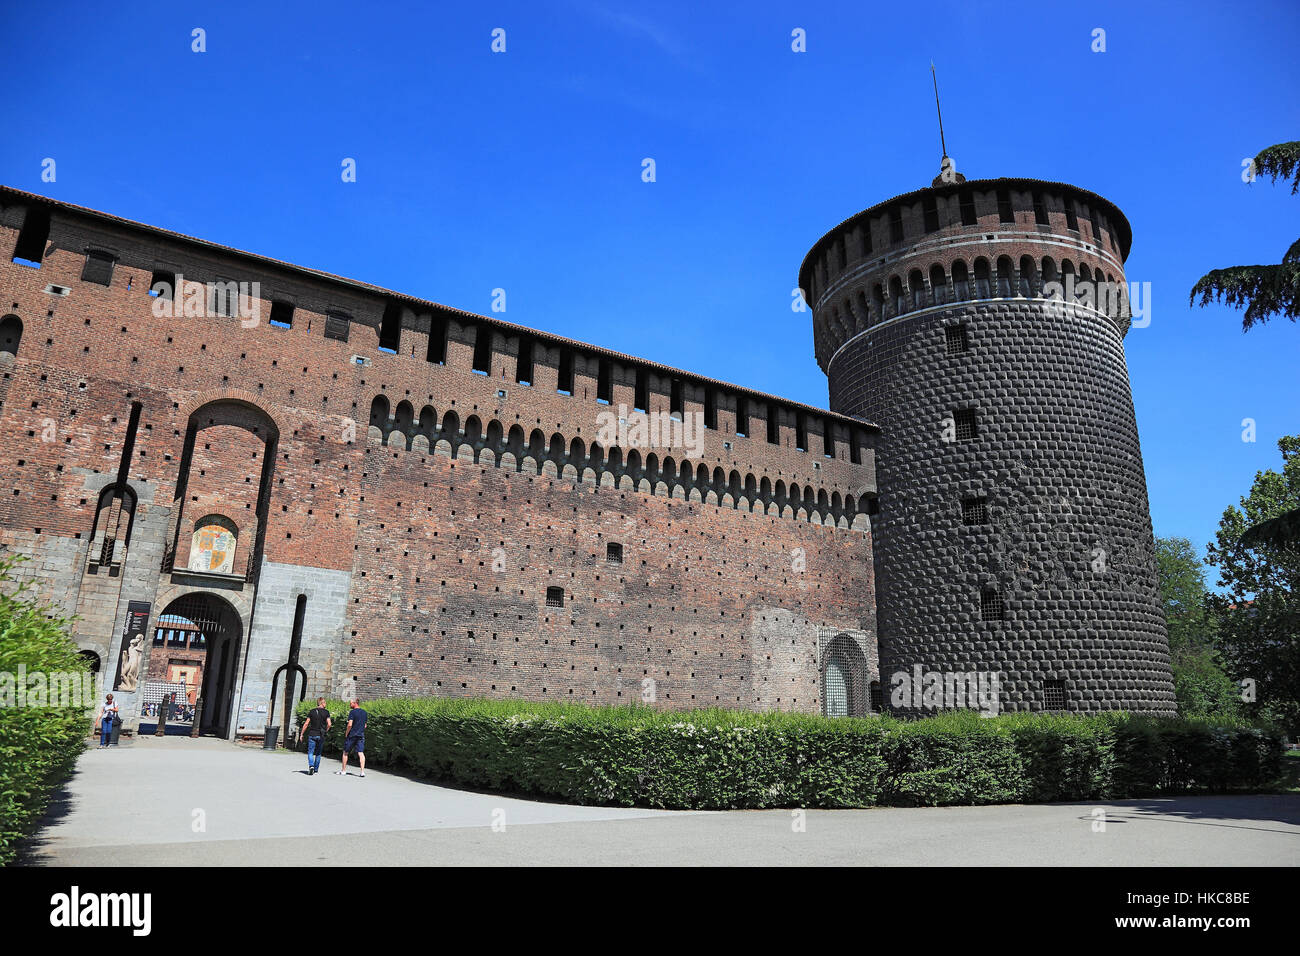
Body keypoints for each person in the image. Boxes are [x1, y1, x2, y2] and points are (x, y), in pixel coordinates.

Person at [335, 698, 368, 777]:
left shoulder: (352, 712)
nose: (349, 704)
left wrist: (346, 733)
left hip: (352, 735)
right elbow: (365, 725)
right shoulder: (364, 712)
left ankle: (343, 771)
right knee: (361, 753)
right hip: (360, 735)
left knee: (345, 752)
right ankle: (362, 771)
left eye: (350, 703)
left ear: (354, 703)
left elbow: (350, 724)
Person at [299, 697, 331, 775]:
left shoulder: (312, 712)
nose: (325, 704)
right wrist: (326, 730)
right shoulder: (326, 712)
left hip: (312, 734)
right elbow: (329, 724)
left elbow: (306, 723)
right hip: (321, 735)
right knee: (318, 753)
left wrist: (302, 734)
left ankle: (311, 766)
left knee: (310, 752)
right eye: (325, 703)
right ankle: (316, 769)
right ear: (322, 703)